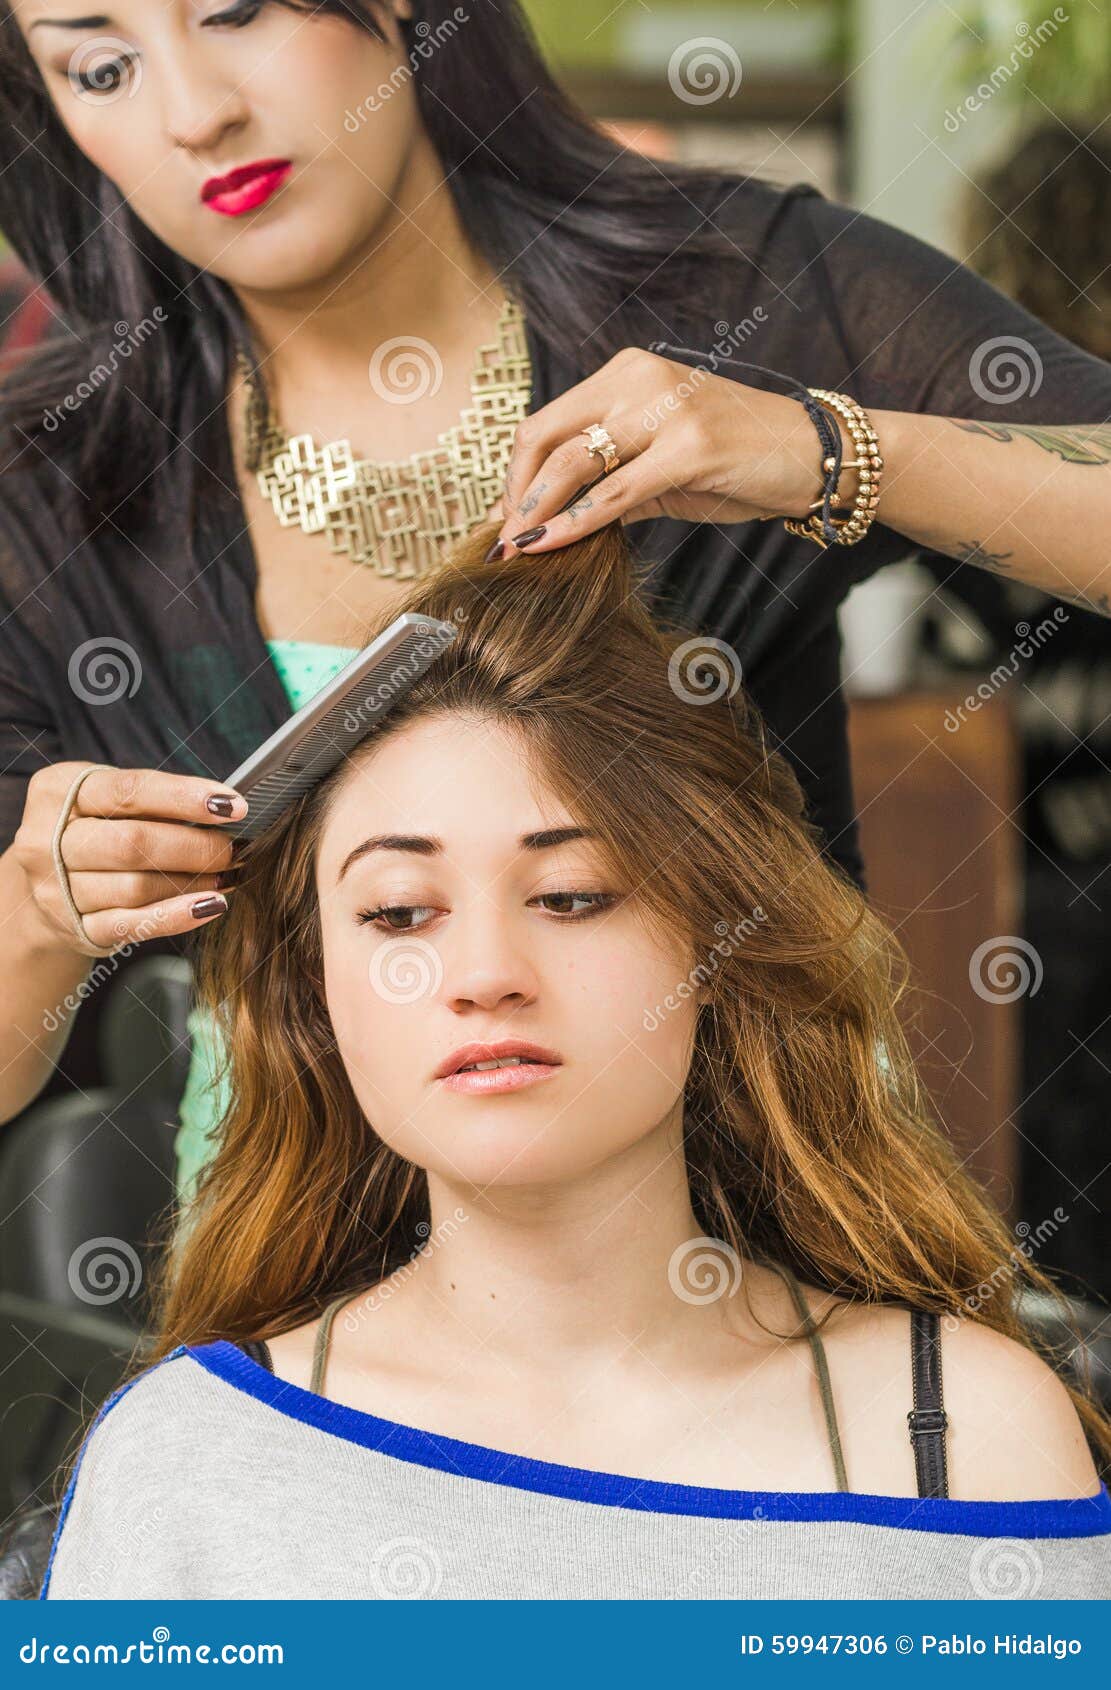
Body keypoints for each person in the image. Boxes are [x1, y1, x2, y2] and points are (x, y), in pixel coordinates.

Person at [2, 1, 1110, 1207]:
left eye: (237, 9)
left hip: (752, 1259)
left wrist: (823, 449)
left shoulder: (741, 296)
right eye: (99, 65)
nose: (194, 112)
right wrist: (36, 917)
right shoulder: (55, 477)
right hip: (291, 1298)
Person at [38, 522, 1111, 1600]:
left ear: (715, 951)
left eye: (571, 897)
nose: (484, 972)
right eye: (400, 912)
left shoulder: (961, 1434)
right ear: (315, 997)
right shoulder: (187, 1462)